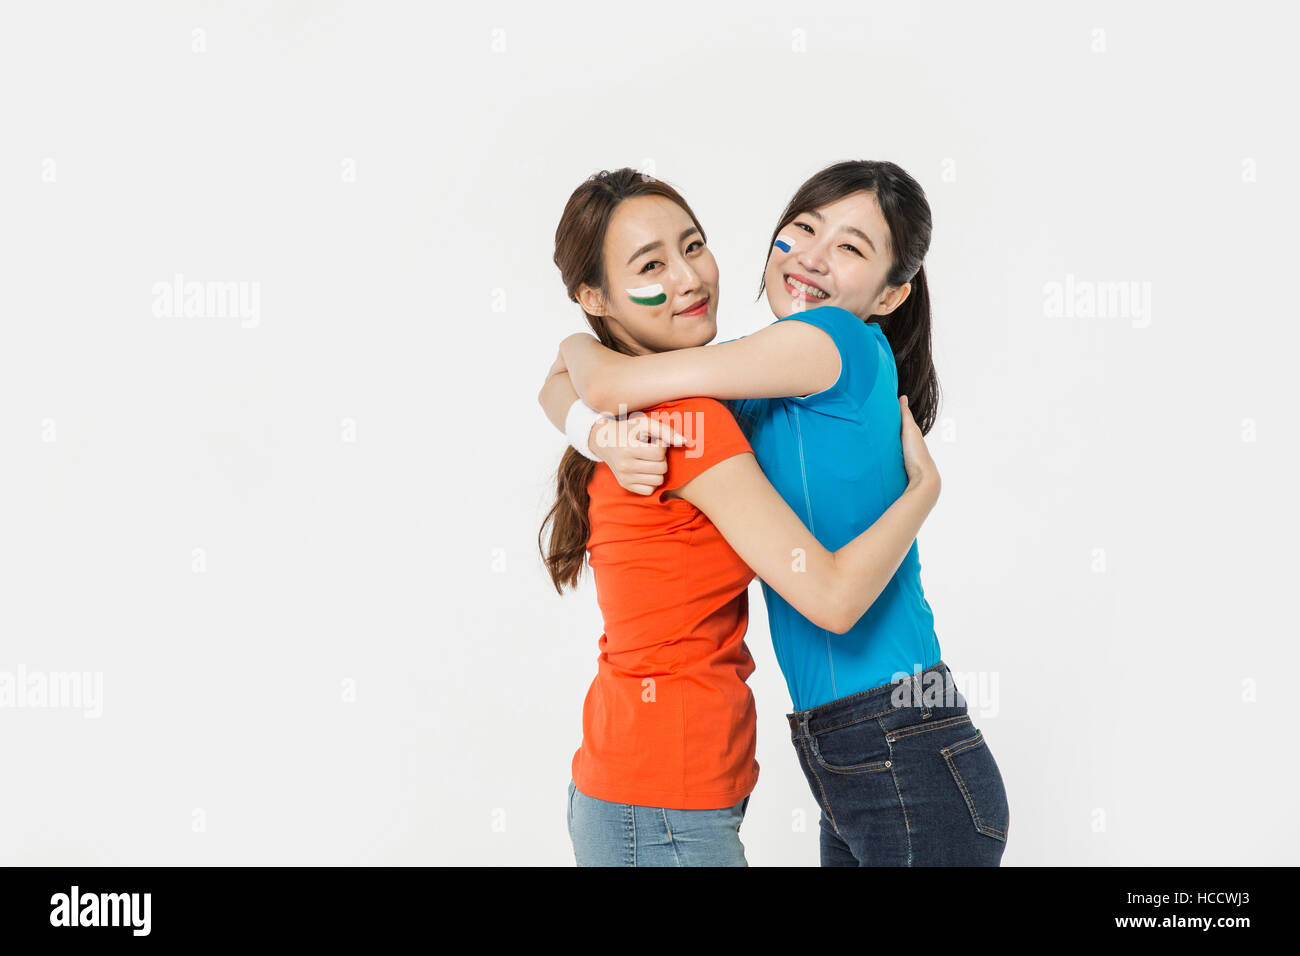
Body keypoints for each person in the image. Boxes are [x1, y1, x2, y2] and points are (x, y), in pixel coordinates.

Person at [542, 160, 1009, 866]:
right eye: (803, 227)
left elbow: (599, 374)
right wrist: (593, 425)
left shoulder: (824, 340)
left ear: (891, 295)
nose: (815, 257)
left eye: (852, 247)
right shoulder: (752, 378)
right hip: (857, 744)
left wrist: (923, 496)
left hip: (896, 736)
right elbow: (586, 375)